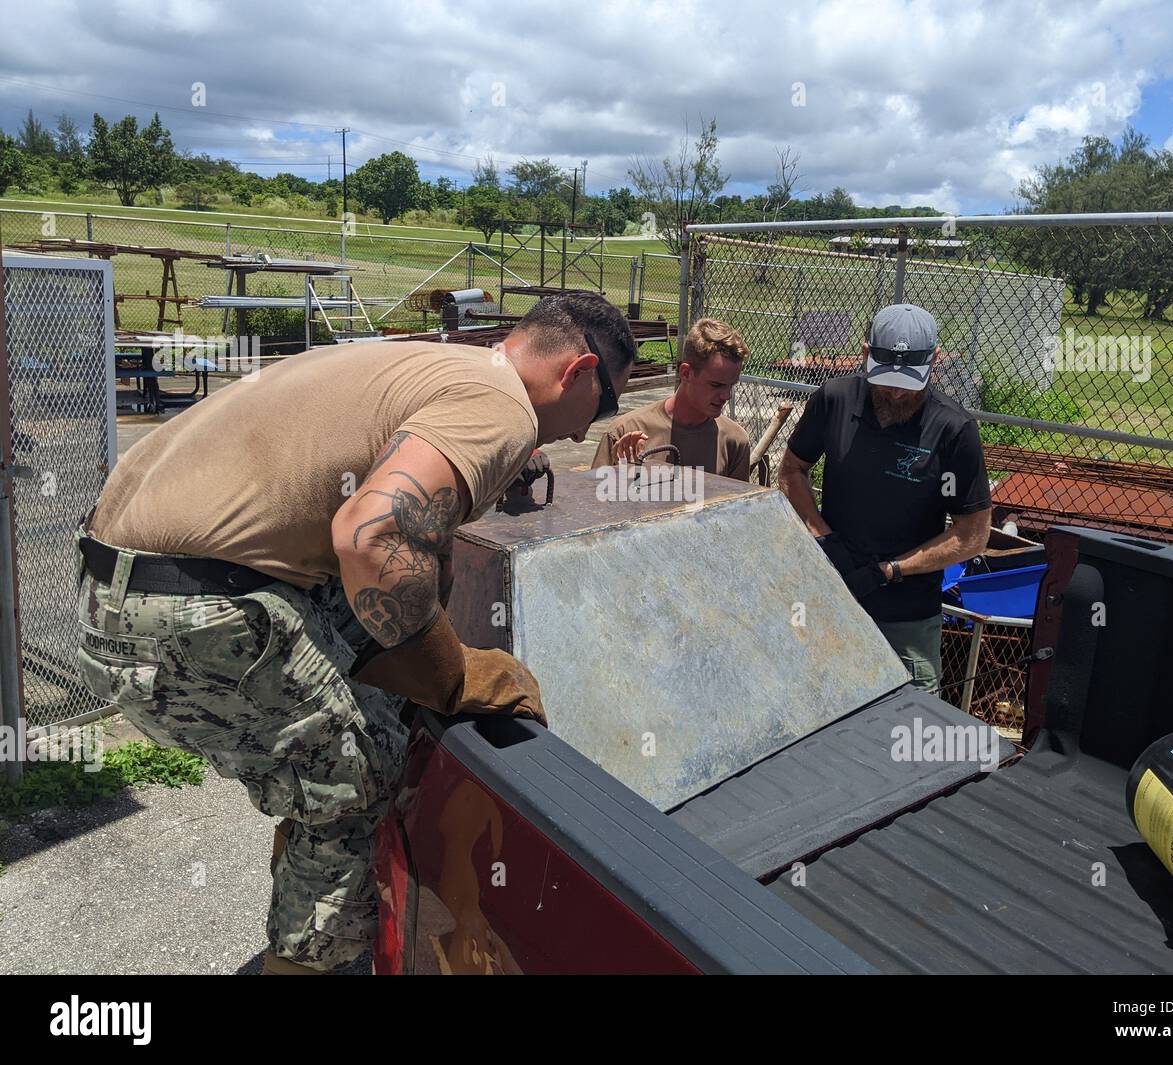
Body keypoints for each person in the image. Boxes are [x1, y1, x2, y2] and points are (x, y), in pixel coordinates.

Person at [75, 293, 637, 973]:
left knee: (370, 723)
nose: (586, 434)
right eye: (604, 406)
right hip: (188, 615)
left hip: (114, 590)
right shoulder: (503, 407)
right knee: (351, 783)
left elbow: (414, 543)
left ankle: (308, 852)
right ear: (579, 370)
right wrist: (452, 674)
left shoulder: (442, 365)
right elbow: (373, 536)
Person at [779, 303, 991, 694]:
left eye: (908, 382)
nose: (895, 392)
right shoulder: (835, 400)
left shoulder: (953, 429)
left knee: (907, 722)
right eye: (886, 379)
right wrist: (825, 539)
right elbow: (792, 470)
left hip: (907, 617)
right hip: (833, 596)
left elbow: (972, 534)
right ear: (865, 354)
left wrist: (893, 570)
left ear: (936, 360)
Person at [590, 317, 751, 480]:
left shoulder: (734, 441)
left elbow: (739, 504)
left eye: (731, 385)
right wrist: (622, 472)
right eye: (716, 385)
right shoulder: (625, 432)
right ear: (686, 373)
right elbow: (591, 499)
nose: (726, 396)